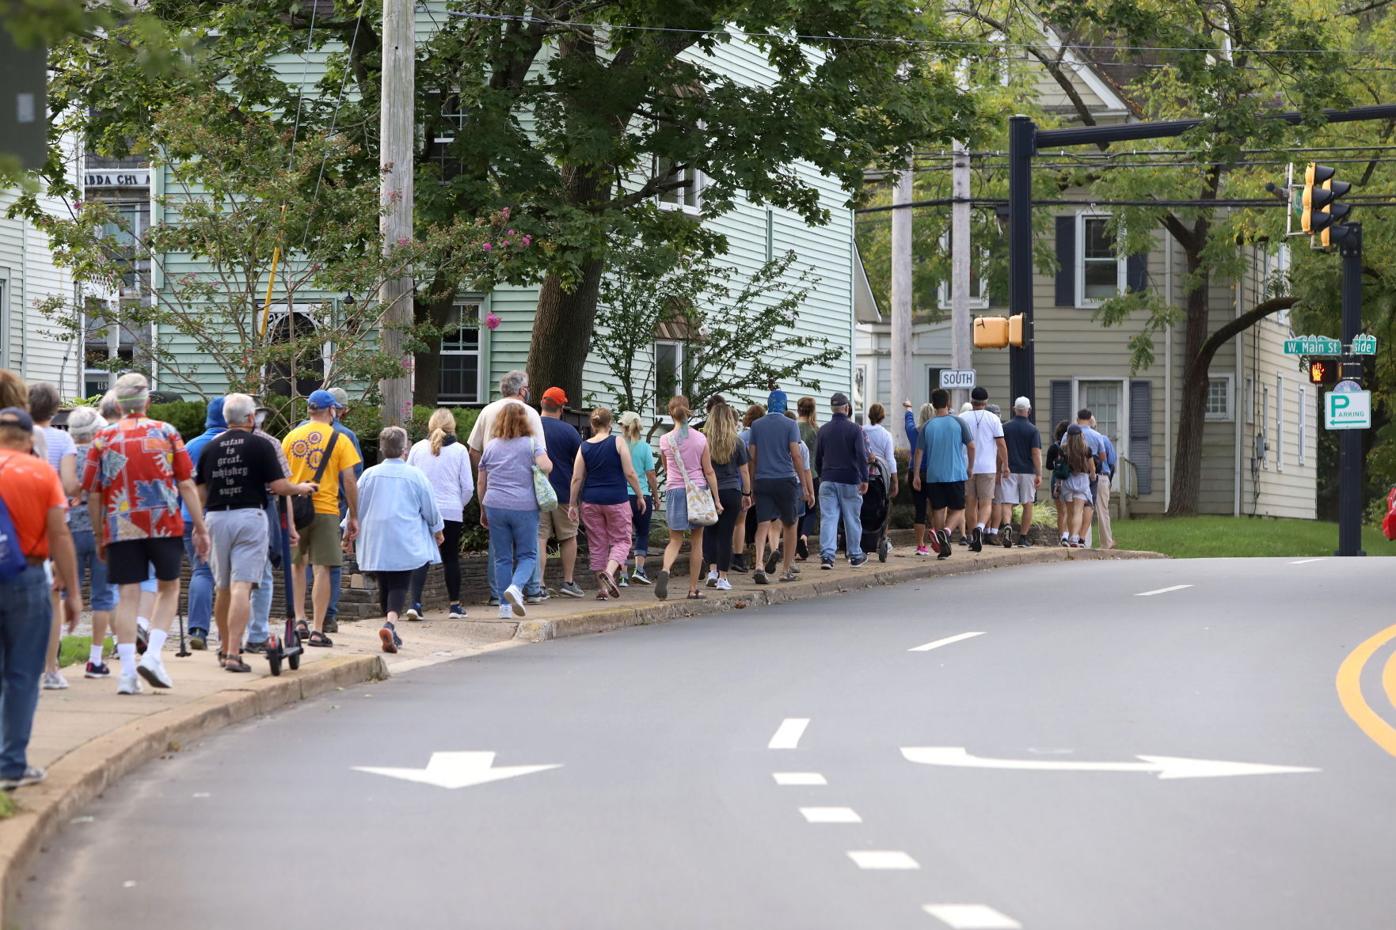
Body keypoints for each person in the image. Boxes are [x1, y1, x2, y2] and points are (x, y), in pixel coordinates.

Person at [83, 373, 210, 694]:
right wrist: (200, 527)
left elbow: (93, 492)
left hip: (120, 523)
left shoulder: (103, 439)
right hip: (163, 523)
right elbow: (186, 483)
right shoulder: (167, 433)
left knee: (128, 594)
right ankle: (152, 655)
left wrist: (99, 534)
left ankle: (127, 671)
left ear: (117, 403)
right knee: (169, 588)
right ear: (147, 402)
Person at [196, 394, 315, 672]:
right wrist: (302, 488)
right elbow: (280, 486)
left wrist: (200, 526)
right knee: (242, 586)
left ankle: (225, 648)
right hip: (250, 516)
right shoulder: (261, 445)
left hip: (215, 517)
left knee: (222, 587)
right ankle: (235, 654)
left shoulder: (210, 448)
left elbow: (200, 492)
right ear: (251, 418)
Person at [0, 406, 81, 789]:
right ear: (31, 438)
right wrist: (73, 590)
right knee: (22, 673)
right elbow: (60, 534)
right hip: (28, 575)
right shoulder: (40, 473)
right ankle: (11, 763)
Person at [281, 389, 361, 648]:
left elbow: (282, 476)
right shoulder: (340, 438)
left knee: (297, 566)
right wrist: (354, 515)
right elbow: (349, 480)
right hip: (325, 508)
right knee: (322, 568)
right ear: (330, 410)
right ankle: (318, 628)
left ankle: (299, 621)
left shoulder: (291, 438)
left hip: (295, 508)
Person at [357, 426, 444, 654]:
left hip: (376, 537)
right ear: (404, 449)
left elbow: (357, 505)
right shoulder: (415, 475)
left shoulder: (369, 475)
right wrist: (438, 530)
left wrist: (348, 529)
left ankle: (390, 627)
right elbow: (430, 508)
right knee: (400, 582)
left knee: (384, 581)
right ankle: (391, 623)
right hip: (405, 535)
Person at [467, 370, 547, 606]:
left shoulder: (487, 411)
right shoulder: (530, 413)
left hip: (494, 492)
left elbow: (474, 450)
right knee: (528, 545)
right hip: (525, 493)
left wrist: (485, 473)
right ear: (522, 390)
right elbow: (541, 457)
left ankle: (498, 595)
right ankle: (530, 589)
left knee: (499, 549)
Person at [478, 403, 552, 618]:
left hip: (494, 505)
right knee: (528, 554)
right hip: (524, 506)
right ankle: (517, 587)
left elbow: (482, 481)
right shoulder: (531, 444)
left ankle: (504, 607)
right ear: (524, 420)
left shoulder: (491, 446)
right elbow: (547, 466)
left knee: (502, 558)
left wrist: (483, 508)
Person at [28, 383, 79, 691]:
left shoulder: (15, 439)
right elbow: (70, 483)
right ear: (55, 409)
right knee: (52, 598)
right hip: (54, 522)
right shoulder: (63, 438)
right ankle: (50, 668)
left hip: (19, 525)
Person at [567, 408, 645, 599]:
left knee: (597, 544)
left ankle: (602, 589)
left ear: (592, 425)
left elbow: (577, 477)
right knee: (622, 540)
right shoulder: (617, 442)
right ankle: (609, 572)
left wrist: (572, 504)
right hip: (616, 500)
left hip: (591, 501)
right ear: (609, 424)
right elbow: (629, 473)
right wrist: (640, 495)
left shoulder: (584, 447)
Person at [407, 409, 474, 618]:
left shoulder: (417, 449)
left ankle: (415, 603)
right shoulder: (460, 450)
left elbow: (409, 480)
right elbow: (468, 487)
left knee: (421, 558)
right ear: (452, 426)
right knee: (451, 558)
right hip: (451, 511)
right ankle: (454, 605)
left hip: (422, 512)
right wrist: (458, 505)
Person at [66, 407, 116, 678]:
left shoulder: (66, 456)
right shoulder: (103, 455)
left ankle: (55, 652)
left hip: (68, 530)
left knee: (63, 593)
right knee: (102, 597)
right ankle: (95, 659)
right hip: (100, 529)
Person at [656, 396, 720, 600]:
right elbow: (708, 471)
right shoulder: (701, 439)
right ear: (688, 410)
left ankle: (666, 569)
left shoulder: (665, 440)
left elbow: (667, 469)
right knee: (697, 541)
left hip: (675, 490)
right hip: (697, 491)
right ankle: (693, 589)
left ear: (670, 412)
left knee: (675, 539)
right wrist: (716, 500)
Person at [310, 387, 363, 635]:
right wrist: (353, 514)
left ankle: (303, 616)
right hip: (332, 505)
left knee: (303, 564)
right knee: (331, 563)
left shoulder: (295, 434)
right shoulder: (345, 436)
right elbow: (353, 478)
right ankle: (327, 616)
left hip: (300, 504)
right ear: (337, 410)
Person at [747, 390, 813, 584]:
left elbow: (752, 457)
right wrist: (805, 486)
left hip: (763, 479)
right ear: (784, 406)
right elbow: (796, 454)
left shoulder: (756, 426)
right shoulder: (791, 424)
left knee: (763, 524)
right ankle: (786, 570)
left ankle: (759, 565)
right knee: (790, 524)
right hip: (786, 479)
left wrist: (750, 485)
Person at [526, 388, 584, 600]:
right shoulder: (569, 431)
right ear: (561, 408)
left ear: (541, 404)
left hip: (537, 492)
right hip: (563, 493)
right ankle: (568, 581)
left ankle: (539, 584)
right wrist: (577, 498)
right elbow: (579, 465)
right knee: (568, 536)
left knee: (540, 537)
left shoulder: (529, 428)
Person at [181, 396, 225, 650]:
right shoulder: (234, 444)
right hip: (221, 514)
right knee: (229, 577)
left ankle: (198, 628)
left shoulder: (191, 446)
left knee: (202, 571)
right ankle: (227, 634)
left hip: (189, 517)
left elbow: (181, 483)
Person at [911, 389, 974, 561]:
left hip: (933, 475)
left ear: (933, 404)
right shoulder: (958, 422)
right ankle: (946, 532)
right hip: (955, 473)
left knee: (938, 509)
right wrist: (970, 468)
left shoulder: (927, 426)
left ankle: (941, 546)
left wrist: (916, 474)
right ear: (948, 403)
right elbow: (971, 446)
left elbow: (918, 452)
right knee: (959, 508)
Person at [814, 392, 869, 569]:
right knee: (852, 518)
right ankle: (854, 555)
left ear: (832, 408)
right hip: (850, 479)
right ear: (846, 408)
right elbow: (861, 455)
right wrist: (865, 477)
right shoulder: (855, 429)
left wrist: (823, 473)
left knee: (828, 518)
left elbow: (818, 458)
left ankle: (827, 557)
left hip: (828, 478)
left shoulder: (823, 430)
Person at [700, 402, 750, 591]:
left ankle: (711, 571)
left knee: (710, 532)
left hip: (710, 491)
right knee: (726, 534)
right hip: (731, 491)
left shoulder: (704, 441)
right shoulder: (737, 442)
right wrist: (747, 493)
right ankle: (723, 577)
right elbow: (744, 472)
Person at [959, 387, 1007, 551]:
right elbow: (1001, 444)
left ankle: (973, 537)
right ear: (986, 402)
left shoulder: (962, 418)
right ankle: (981, 527)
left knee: (970, 503)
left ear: (972, 401)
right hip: (987, 467)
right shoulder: (993, 419)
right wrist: (1005, 465)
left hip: (966, 467)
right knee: (986, 503)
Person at [618, 411, 657, 587]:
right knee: (642, 532)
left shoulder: (617, 446)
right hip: (642, 495)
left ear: (623, 427)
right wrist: (656, 496)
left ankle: (623, 575)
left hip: (621, 495)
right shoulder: (645, 447)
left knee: (622, 536)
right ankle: (639, 570)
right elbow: (651, 474)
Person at [998, 397, 1043, 549]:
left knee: (1007, 502)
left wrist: (1000, 468)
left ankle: (1007, 526)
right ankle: (1023, 537)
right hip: (1027, 471)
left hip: (1008, 469)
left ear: (1013, 409)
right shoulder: (1033, 430)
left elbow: (1000, 450)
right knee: (1027, 504)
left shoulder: (1005, 427)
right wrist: (1039, 473)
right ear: (1028, 410)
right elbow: (1036, 453)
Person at [732, 404, 765, 573]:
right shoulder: (761, 436)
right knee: (756, 519)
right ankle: (755, 554)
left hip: (738, 482)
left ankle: (741, 549)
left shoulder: (740, 436)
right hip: (758, 480)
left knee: (741, 520)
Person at [1073, 408, 1108, 548]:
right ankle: (1082, 538)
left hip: (1073, 472)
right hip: (1090, 473)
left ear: (1078, 418)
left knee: (1074, 507)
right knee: (1088, 505)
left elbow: (1061, 450)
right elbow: (1103, 456)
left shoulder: (1069, 434)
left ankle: (1071, 537)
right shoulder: (1097, 435)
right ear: (1089, 419)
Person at [1058, 425, 1097, 547]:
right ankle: (1075, 537)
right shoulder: (1086, 450)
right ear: (1081, 436)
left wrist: (1057, 483)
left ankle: (1069, 537)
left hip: (1067, 481)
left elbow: (1059, 466)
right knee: (1078, 511)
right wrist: (1093, 476)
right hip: (1082, 480)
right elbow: (1092, 468)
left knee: (1069, 512)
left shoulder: (1063, 449)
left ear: (1068, 436)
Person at [795, 396, 820, 560]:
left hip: (794, 475)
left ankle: (797, 544)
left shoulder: (793, 427)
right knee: (812, 510)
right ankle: (804, 536)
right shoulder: (815, 430)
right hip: (812, 473)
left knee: (797, 512)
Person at [862, 403, 899, 500]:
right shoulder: (886, 435)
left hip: (861, 475)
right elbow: (890, 459)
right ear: (882, 417)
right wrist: (895, 480)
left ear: (869, 415)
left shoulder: (861, 431)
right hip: (880, 476)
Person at [1091, 414, 1118, 550]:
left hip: (1082, 477)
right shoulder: (1103, 439)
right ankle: (1106, 542)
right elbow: (1112, 461)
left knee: (1082, 509)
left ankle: (1083, 542)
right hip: (1102, 477)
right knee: (1102, 510)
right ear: (1095, 426)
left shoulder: (1078, 438)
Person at [1045, 420, 1070, 541]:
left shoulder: (1053, 447)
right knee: (1070, 510)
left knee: (1061, 512)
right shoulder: (1071, 447)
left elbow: (1049, 466)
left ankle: (1062, 537)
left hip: (1056, 480)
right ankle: (1069, 535)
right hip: (1069, 479)